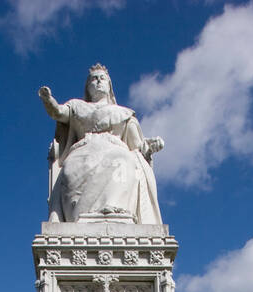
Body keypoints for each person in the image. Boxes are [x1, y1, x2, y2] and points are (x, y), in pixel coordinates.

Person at [39, 64, 164, 225]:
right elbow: (58, 112)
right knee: (70, 169)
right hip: (82, 153)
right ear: (87, 86)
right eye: (93, 79)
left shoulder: (124, 114)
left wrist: (150, 147)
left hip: (117, 151)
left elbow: (137, 147)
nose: (98, 81)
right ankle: (82, 213)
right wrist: (49, 100)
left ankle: (114, 209)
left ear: (109, 85)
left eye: (102, 78)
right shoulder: (76, 106)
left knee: (124, 159)